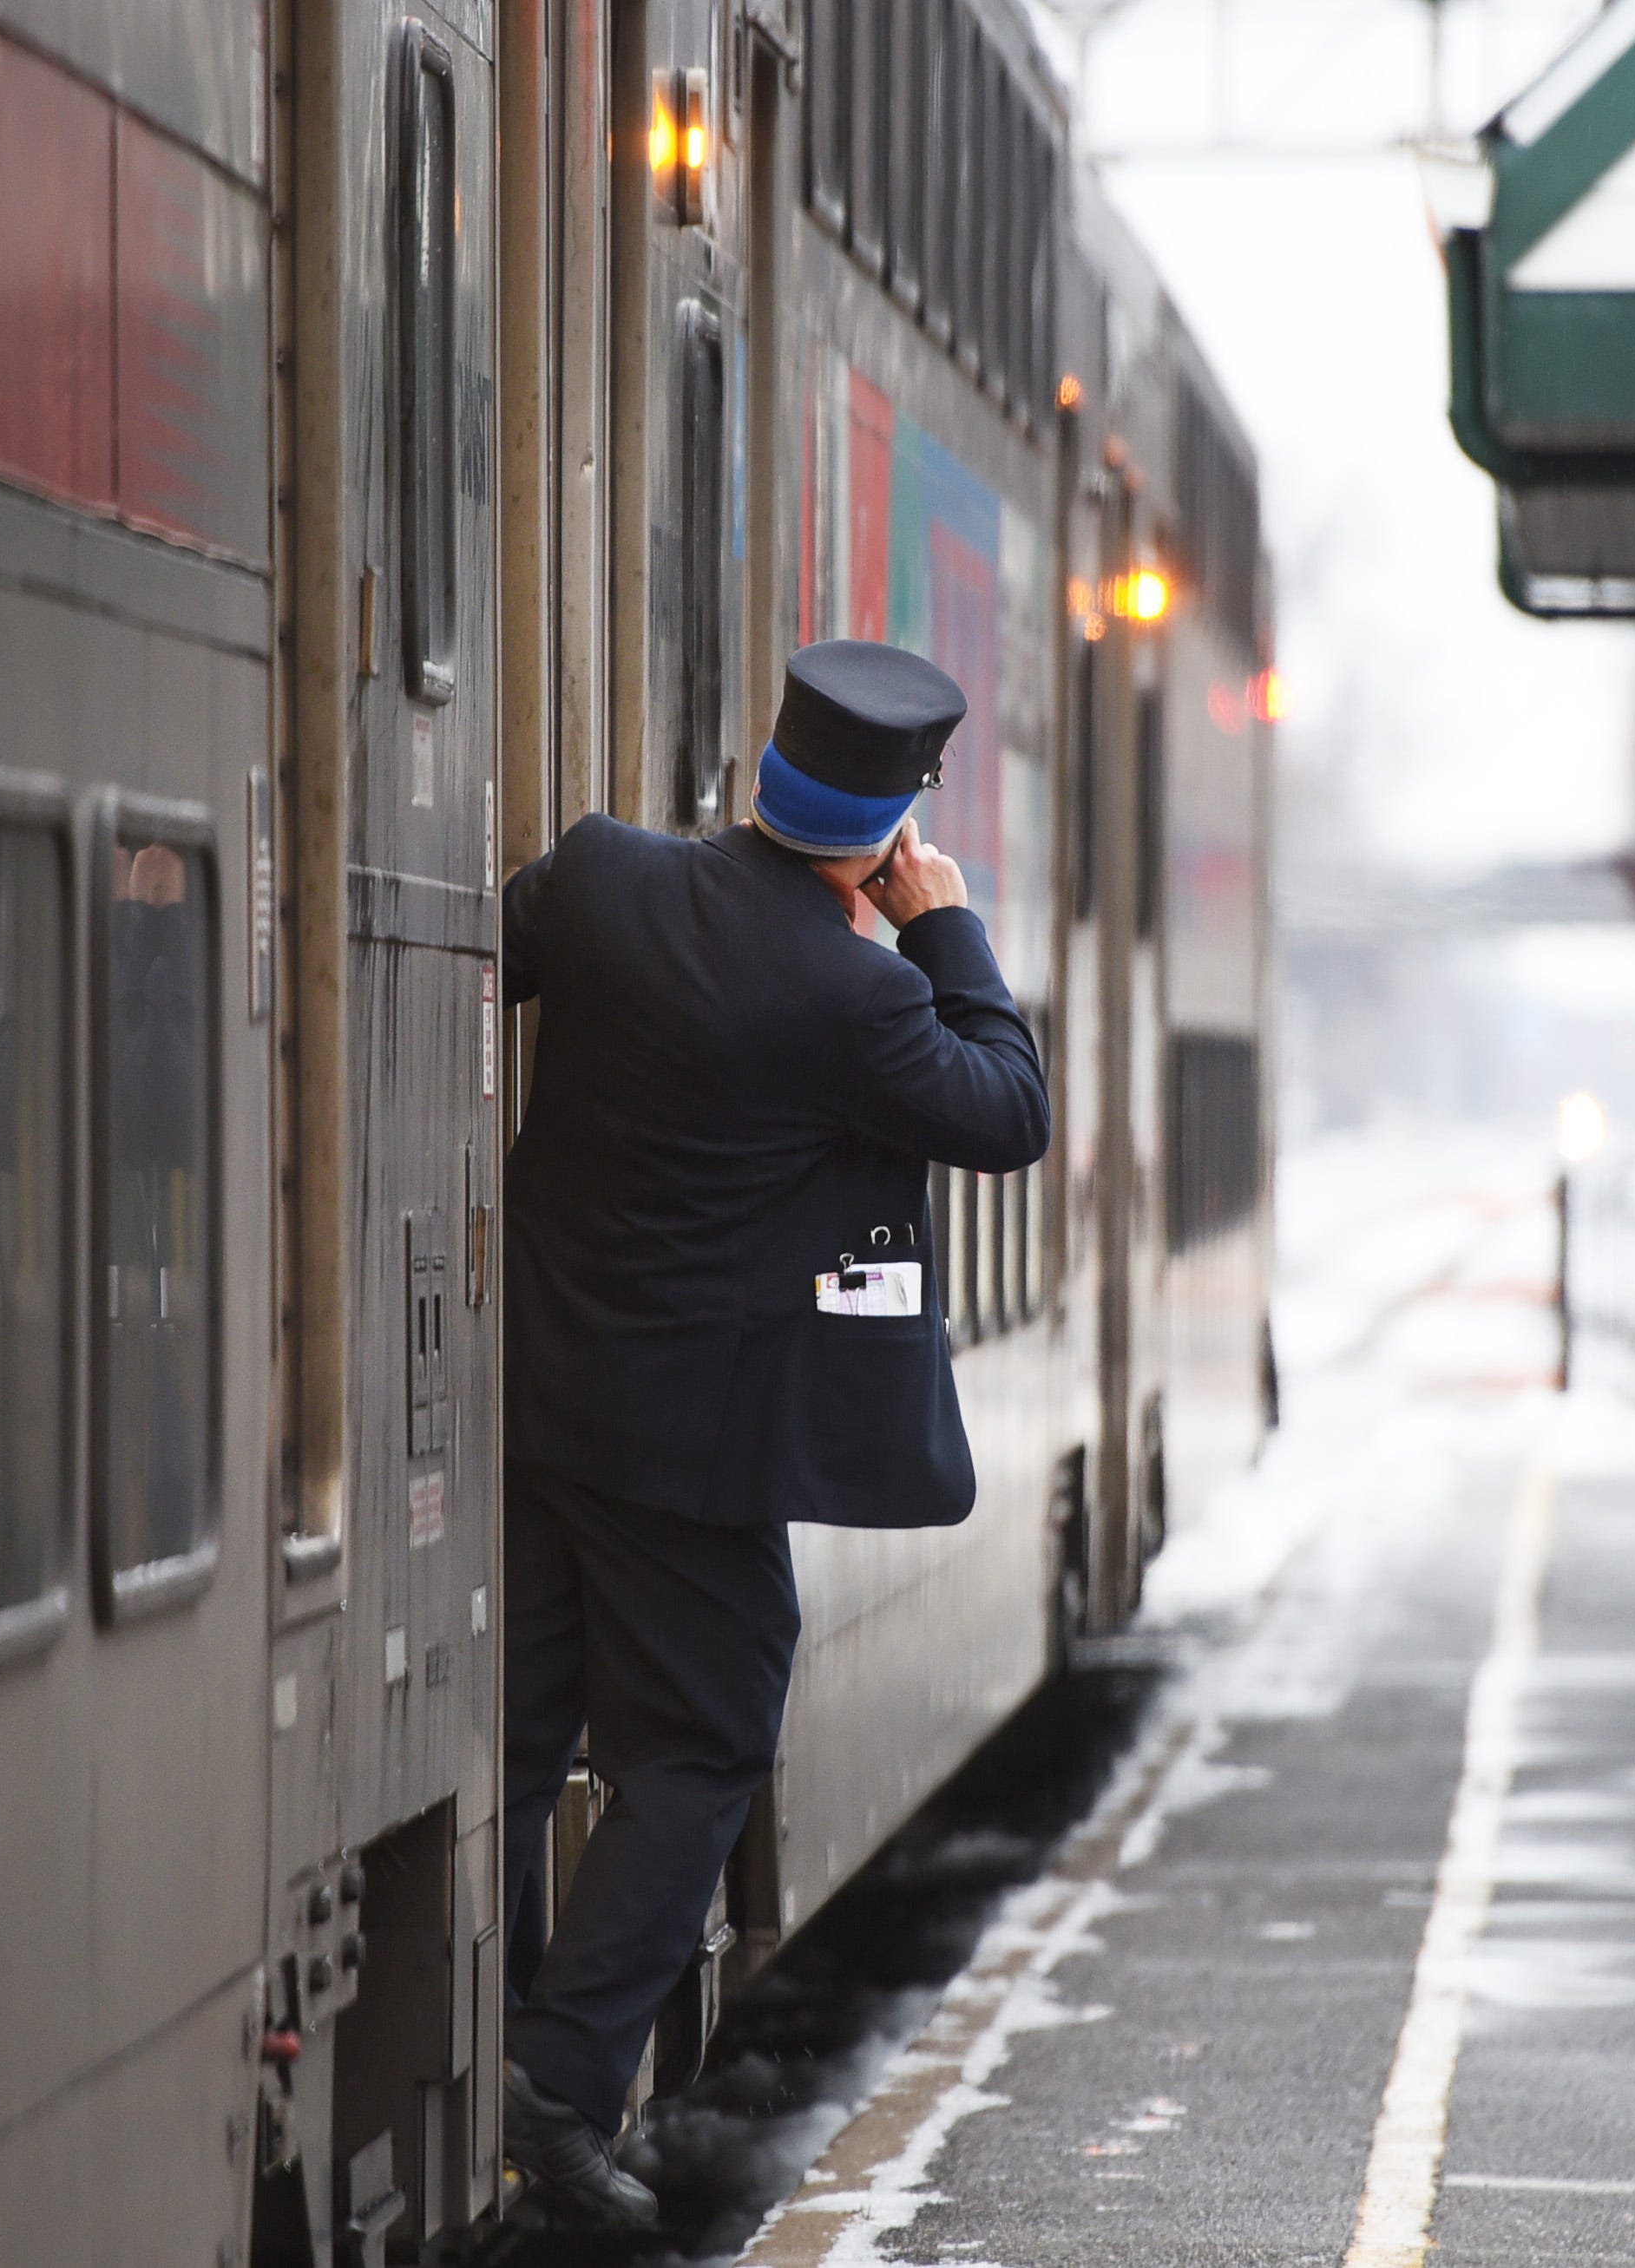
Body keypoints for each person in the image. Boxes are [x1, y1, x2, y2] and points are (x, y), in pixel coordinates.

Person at [492, 640, 1051, 2227]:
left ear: (767, 771)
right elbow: (1008, 1108)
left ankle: (487, 2044)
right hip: (696, 1456)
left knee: (525, 1735)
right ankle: (559, 2078)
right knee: (707, 1739)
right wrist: (938, 920)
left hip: (537, 1398)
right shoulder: (858, 991)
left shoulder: (601, 878)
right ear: (886, 832)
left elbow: (498, 960)